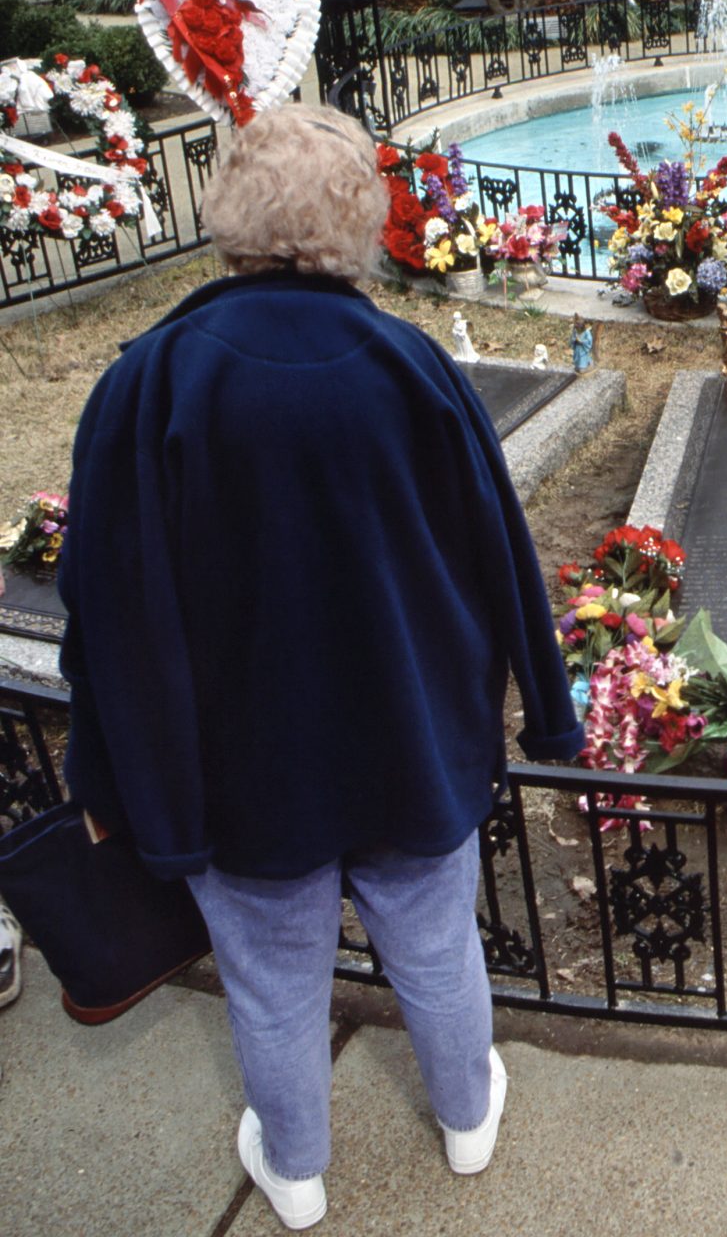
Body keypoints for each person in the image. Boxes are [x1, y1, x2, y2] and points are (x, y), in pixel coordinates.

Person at [58, 106, 583, 1232]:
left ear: (229, 215)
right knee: (437, 951)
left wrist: (107, 773)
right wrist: (549, 713)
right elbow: (502, 551)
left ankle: (294, 1172)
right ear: (360, 220)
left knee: (270, 979)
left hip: (242, 769)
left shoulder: (148, 381)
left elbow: (102, 597)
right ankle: (468, 1114)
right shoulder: (411, 365)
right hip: (410, 737)